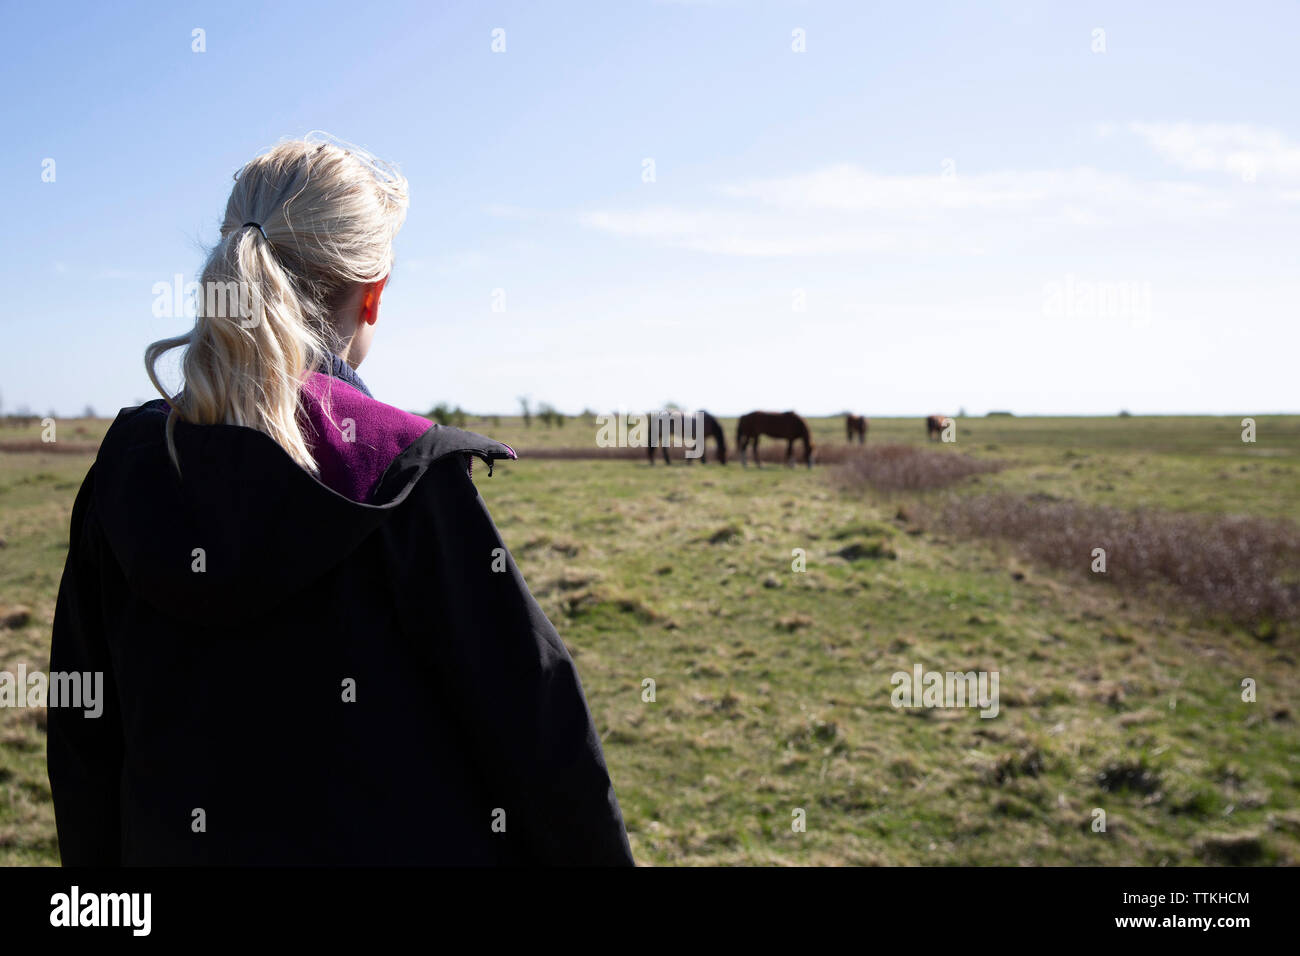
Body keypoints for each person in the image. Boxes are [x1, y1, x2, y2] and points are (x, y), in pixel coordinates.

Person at [46, 137, 634, 866]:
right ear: (373, 293)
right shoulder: (407, 475)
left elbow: (83, 739)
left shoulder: (126, 471)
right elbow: (542, 741)